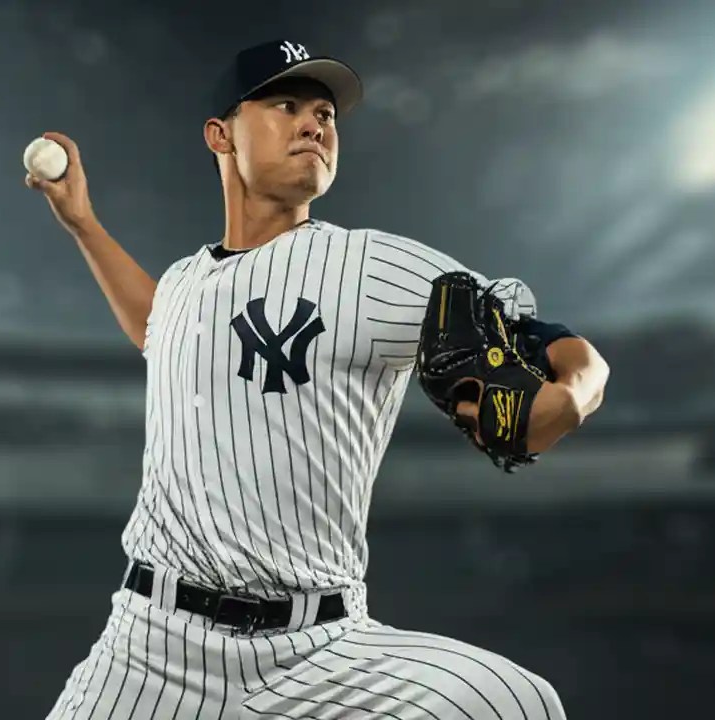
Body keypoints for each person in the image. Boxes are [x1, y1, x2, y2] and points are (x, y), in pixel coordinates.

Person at [30, 39, 609, 720]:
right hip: (148, 651)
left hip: (319, 653)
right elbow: (156, 326)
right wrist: (83, 223)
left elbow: (532, 340)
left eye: (325, 114)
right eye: (285, 104)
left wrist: (576, 385)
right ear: (221, 134)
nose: (314, 123)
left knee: (516, 703)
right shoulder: (187, 281)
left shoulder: (369, 268)